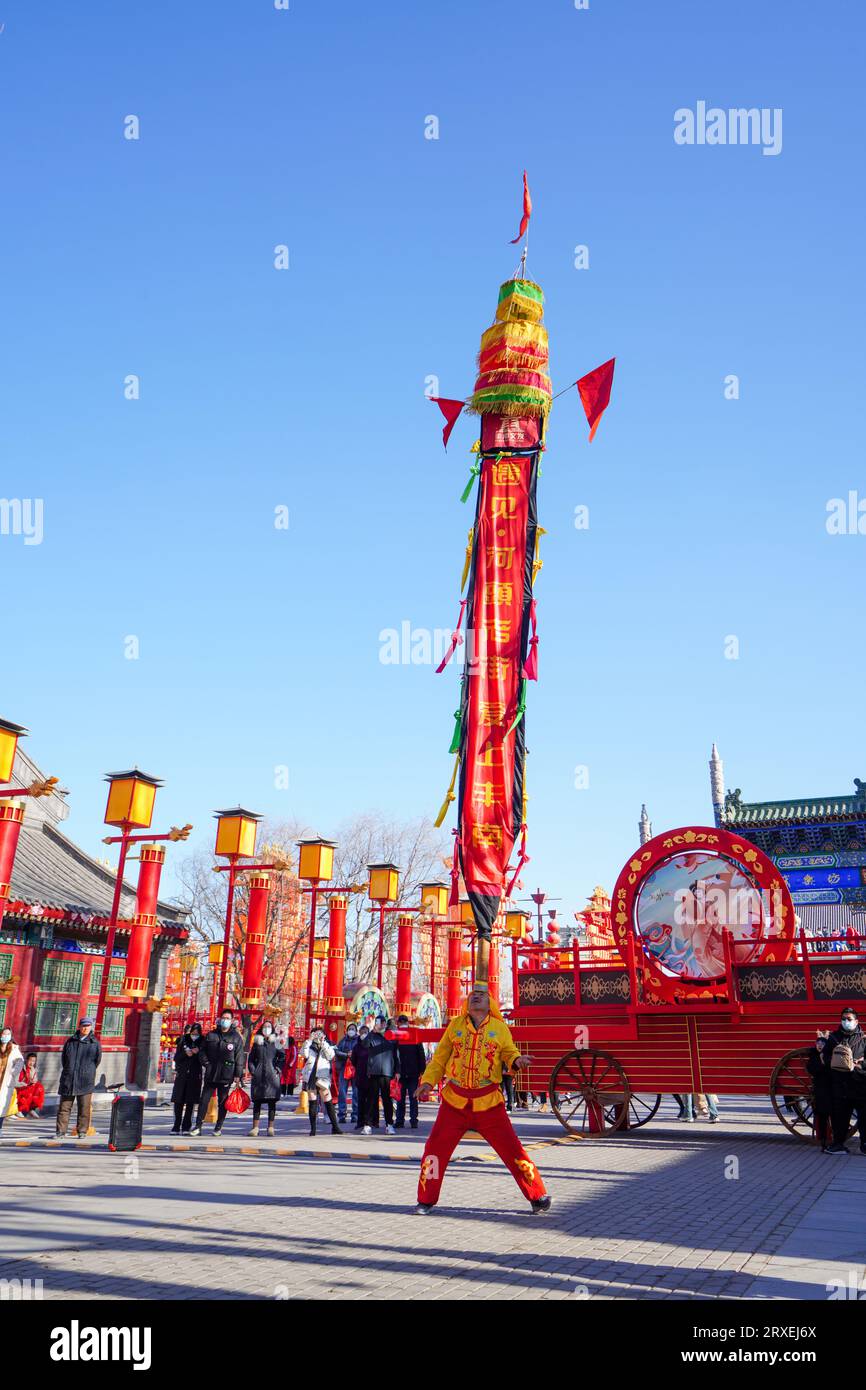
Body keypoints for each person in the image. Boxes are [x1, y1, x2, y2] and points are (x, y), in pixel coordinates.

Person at [415, 984, 550, 1215]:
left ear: (491, 1003)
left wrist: (517, 1061)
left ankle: (538, 1196)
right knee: (434, 1149)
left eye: (481, 995)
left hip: (489, 1103)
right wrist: (427, 1082)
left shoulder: (499, 1028)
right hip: (454, 1102)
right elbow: (440, 1059)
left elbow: (508, 1052)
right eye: (472, 995)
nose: (476, 997)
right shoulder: (455, 1026)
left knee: (512, 1150)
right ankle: (425, 1200)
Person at [190, 1008, 245, 1136]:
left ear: (232, 1021)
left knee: (223, 1101)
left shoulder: (236, 1037)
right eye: (223, 1018)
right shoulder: (211, 1035)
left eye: (227, 1019)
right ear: (219, 1019)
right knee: (204, 1100)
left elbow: (239, 1057)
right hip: (211, 1072)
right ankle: (198, 1126)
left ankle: (218, 1127)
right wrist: (207, 1064)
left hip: (227, 1073)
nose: (225, 1021)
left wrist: (238, 1075)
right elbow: (202, 1051)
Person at [820, 1008, 866, 1155]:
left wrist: (859, 1064)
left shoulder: (864, 1039)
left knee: (864, 1117)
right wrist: (835, 1062)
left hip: (860, 1083)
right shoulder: (833, 1038)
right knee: (840, 1117)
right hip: (840, 1084)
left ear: (856, 1021)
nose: (846, 1021)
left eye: (849, 1019)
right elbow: (825, 1057)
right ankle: (838, 1144)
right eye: (844, 1018)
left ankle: (864, 1145)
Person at [56, 1016, 102, 1138]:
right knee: (64, 1107)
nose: (85, 1028)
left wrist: (87, 1071)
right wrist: (70, 1070)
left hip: (85, 1080)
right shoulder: (70, 1041)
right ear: (79, 1026)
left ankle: (82, 1131)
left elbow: (97, 1061)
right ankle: (61, 1131)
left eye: (87, 1026)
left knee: (84, 1108)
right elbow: (64, 1060)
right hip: (69, 1079)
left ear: (90, 1027)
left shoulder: (95, 1043)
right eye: (83, 1026)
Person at [300, 1028, 342, 1136]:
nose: (318, 1036)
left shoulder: (328, 1044)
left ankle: (335, 1127)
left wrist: (323, 1043)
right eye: (315, 1033)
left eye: (320, 1033)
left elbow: (331, 1056)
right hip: (311, 1076)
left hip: (322, 1076)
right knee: (313, 1102)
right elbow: (304, 1054)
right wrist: (309, 1040)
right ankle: (313, 1129)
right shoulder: (309, 1045)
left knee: (328, 1101)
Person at [363, 1016, 398, 1135]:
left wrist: (397, 1071)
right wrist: (372, 1031)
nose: (381, 1025)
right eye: (379, 1023)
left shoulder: (391, 1036)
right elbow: (364, 1044)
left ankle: (389, 1124)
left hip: (387, 1072)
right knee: (371, 1099)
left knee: (387, 1100)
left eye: (383, 1023)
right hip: (374, 1072)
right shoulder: (372, 1036)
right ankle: (367, 1124)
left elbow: (396, 1055)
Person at [247, 1022, 284, 1136]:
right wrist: (253, 1071)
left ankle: (270, 1127)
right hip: (258, 1077)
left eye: (268, 1027)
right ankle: (255, 1128)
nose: (266, 1029)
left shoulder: (276, 1042)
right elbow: (251, 1059)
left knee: (271, 1102)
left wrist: (277, 1068)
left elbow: (282, 1056)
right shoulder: (257, 1042)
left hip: (272, 1076)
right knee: (257, 1102)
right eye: (264, 1027)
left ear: (272, 1029)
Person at [393, 1014, 426, 1129]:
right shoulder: (414, 1035)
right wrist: (422, 1070)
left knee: (401, 1098)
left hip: (402, 1072)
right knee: (412, 1097)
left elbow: (394, 1055)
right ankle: (413, 1121)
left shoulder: (397, 1035)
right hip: (411, 1071)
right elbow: (421, 1054)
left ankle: (400, 1120)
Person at [171, 1023, 204, 1134]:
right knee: (178, 1101)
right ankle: (176, 1125)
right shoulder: (183, 1040)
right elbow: (176, 1057)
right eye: (193, 1032)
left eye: (197, 1032)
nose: (195, 1035)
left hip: (195, 1076)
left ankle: (186, 1126)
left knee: (190, 1102)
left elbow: (205, 1059)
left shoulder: (203, 1042)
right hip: (182, 1074)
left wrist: (198, 1053)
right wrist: (186, 1053)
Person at [0, 1026, 24, 1132]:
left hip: (5, 1081)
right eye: (3, 1034)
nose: (5, 1036)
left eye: (7, 1034)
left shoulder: (14, 1049)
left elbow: (20, 1061)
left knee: (1, 1107)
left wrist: (13, 1073)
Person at [334, 1023, 359, 1126]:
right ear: (347, 1030)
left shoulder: (359, 1041)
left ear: (356, 1031)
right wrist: (346, 1055)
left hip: (355, 1068)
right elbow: (336, 1051)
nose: (351, 1030)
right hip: (344, 1068)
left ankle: (355, 1115)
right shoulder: (343, 1041)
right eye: (350, 1029)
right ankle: (342, 1114)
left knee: (356, 1092)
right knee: (342, 1091)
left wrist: (354, 1054)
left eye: (353, 1029)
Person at [352, 1025, 371, 1131]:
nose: (363, 1034)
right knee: (360, 1100)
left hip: (370, 1077)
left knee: (370, 1101)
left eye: (365, 1032)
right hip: (360, 1076)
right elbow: (353, 1060)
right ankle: (360, 1122)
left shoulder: (371, 1045)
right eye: (362, 1032)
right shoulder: (357, 1046)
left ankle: (368, 1121)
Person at [15, 1053, 45, 1118]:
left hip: (27, 1087)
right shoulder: (21, 1068)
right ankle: (18, 1109)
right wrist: (26, 1084)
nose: (32, 1063)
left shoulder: (33, 1069)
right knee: (29, 1091)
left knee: (39, 1087)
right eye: (30, 1060)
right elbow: (16, 1082)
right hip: (19, 1087)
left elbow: (35, 1080)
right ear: (26, 1060)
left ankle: (31, 1109)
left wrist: (32, 1073)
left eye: (33, 1061)